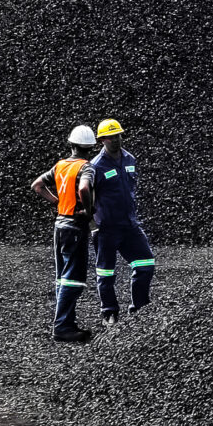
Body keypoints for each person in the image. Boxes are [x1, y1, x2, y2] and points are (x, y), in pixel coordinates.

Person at [30, 125, 99, 343]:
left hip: (59, 224)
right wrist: (87, 212)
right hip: (74, 227)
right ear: (90, 148)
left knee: (62, 276)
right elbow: (84, 189)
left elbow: (37, 186)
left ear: (71, 144)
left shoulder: (60, 166)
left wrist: (59, 203)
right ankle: (62, 327)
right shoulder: (86, 167)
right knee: (73, 279)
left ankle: (66, 322)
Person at [85, 117, 154, 327]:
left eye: (118, 135)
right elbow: (85, 194)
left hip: (130, 225)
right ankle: (109, 313)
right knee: (106, 273)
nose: (115, 140)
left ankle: (139, 308)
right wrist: (92, 225)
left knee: (145, 263)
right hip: (107, 228)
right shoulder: (95, 166)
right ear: (102, 140)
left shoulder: (130, 159)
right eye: (110, 137)